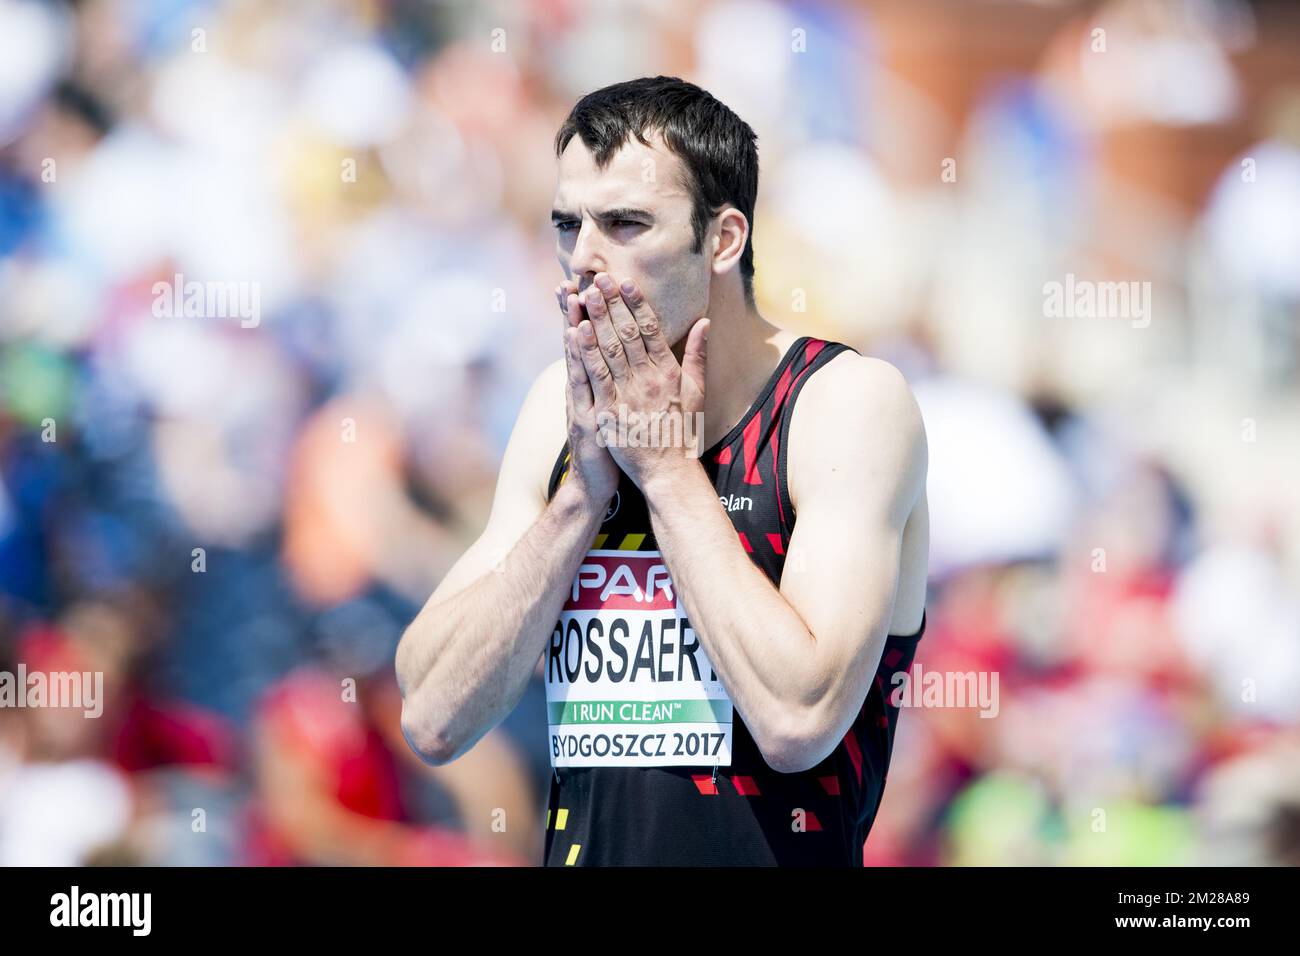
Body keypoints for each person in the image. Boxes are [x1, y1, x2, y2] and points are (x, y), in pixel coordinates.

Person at [395, 76, 929, 866]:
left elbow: (797, 720)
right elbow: (433, 714)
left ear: (722, 239)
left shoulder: (843, 405)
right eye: (567, 224)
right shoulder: (561, 408)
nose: (584, 259)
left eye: (626, 223)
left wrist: (669, 473)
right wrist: (579, 501)